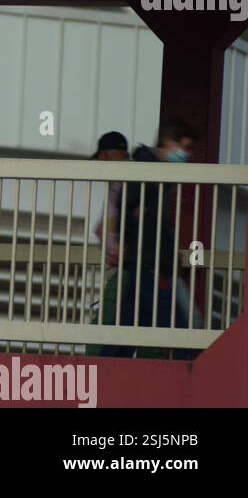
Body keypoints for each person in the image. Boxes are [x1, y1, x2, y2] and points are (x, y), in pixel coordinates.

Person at [101, 119, 200, 359]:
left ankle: (105, 368)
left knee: (131, 322)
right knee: (176, 325)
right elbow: (128, 208)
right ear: (168, 142)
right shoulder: (148, 169)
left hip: (148, 260)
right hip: (150, 259)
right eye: (184, 148)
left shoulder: (157, 172)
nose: (185, 155)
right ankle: (189, 375)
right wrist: (125, 241)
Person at [85, 132, 131, 357]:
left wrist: (115, 248)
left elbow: (103, 228)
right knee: (126, 326)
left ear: (104, 155)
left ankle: (94, 374)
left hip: (128, 267)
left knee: (106, 325)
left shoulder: (124, 183)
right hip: (134, 267)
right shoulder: (131, 180)